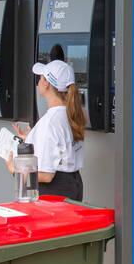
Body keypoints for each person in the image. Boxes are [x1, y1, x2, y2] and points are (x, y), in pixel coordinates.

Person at [6, 59, 85, 200]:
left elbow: (46, 175)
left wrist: (15, 170)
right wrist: (33, 137)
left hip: (54, 193)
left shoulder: (49, 123)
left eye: (40, 78)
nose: (38, 83)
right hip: (74, 185)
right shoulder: (70, 114)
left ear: (47, 83)